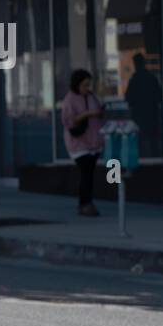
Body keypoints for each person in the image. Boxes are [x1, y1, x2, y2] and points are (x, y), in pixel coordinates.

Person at [61, 69, 104, 217]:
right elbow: (68, 121)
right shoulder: (70, 100)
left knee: (90, 174)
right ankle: (84, 204)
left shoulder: (91, 96)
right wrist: (87, 114)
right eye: (84, 85)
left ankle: (86, 203)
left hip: (93, 141)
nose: (87, 88)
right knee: (86, 173)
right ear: (77, 84)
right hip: (78, 143)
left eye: (88, 85)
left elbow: (98, 110)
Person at [124, 53, 162, 159]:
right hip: (152, 114)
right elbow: (159, 97)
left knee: (138, 141)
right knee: (153, 141)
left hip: (139, 116)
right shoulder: (151, 78)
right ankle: (155, 161)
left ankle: (140, 161)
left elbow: (128, 99)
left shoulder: (134, 80)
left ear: (135, 64)